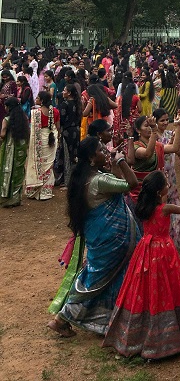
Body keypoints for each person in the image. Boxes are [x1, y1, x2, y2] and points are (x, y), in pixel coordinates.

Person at [103, 169, 180, 359]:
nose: (168, 186)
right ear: (159, 191)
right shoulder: (165, 209)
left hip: (145, 252)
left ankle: (134, 336)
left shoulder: (142, 207)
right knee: (168, 290)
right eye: (166, 184)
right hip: (164, 252)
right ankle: (169, 338)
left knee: (142, 291)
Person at [47, 137, 139, 337]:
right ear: (90, 157)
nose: (105, 151)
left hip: (101, 238)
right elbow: (132, 184)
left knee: (98, 277)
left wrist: (113, 163)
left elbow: (115, 185)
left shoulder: (87, 177)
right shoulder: (98, 181)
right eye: (100, 150)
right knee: (94, 280)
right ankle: (61, 318)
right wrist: (122, 161)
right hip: (109, 241)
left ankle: (105, 320)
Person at [153, 107, 180, 248]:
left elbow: (178, 151)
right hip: (159, 174)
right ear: (155, 122)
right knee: (161, 206)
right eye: (161, 120)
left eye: (166, 120)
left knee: (173, 203)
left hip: (171, 175)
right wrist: (177, 128)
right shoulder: (153, 137)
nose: (164, 122)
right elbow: (171, 149)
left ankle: (175, 238)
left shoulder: (170, 133)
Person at [25, 90, 59, 201]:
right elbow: (57, 127)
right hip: (51, 139)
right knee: (48, 166)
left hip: (40, 140)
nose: (36, 100)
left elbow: (32, 130)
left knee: (39, 164)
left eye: (38, 98)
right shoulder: (55, 111)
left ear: (42, 100)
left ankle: (36, 190)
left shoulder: (35, 113)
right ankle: (45, 192)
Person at [0, 97, 30, 207]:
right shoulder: (24, 118)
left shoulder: (6, 120)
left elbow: (3, 135)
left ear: (9, 107)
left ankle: (7, 197)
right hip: (21, 149)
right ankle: (16, 198)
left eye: (6, 106)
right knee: (18, 171)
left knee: (7, 170)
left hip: (10, 149)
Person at [53, 83, 82, 187]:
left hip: (67, 132)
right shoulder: (77, 103)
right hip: (76, 131)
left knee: (65, 155)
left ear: (69, 93)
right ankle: (74, 178)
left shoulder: (65, 104)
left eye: (64, 90)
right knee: (74, 154)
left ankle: (67, 180)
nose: (63, 92)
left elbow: (61, 120)